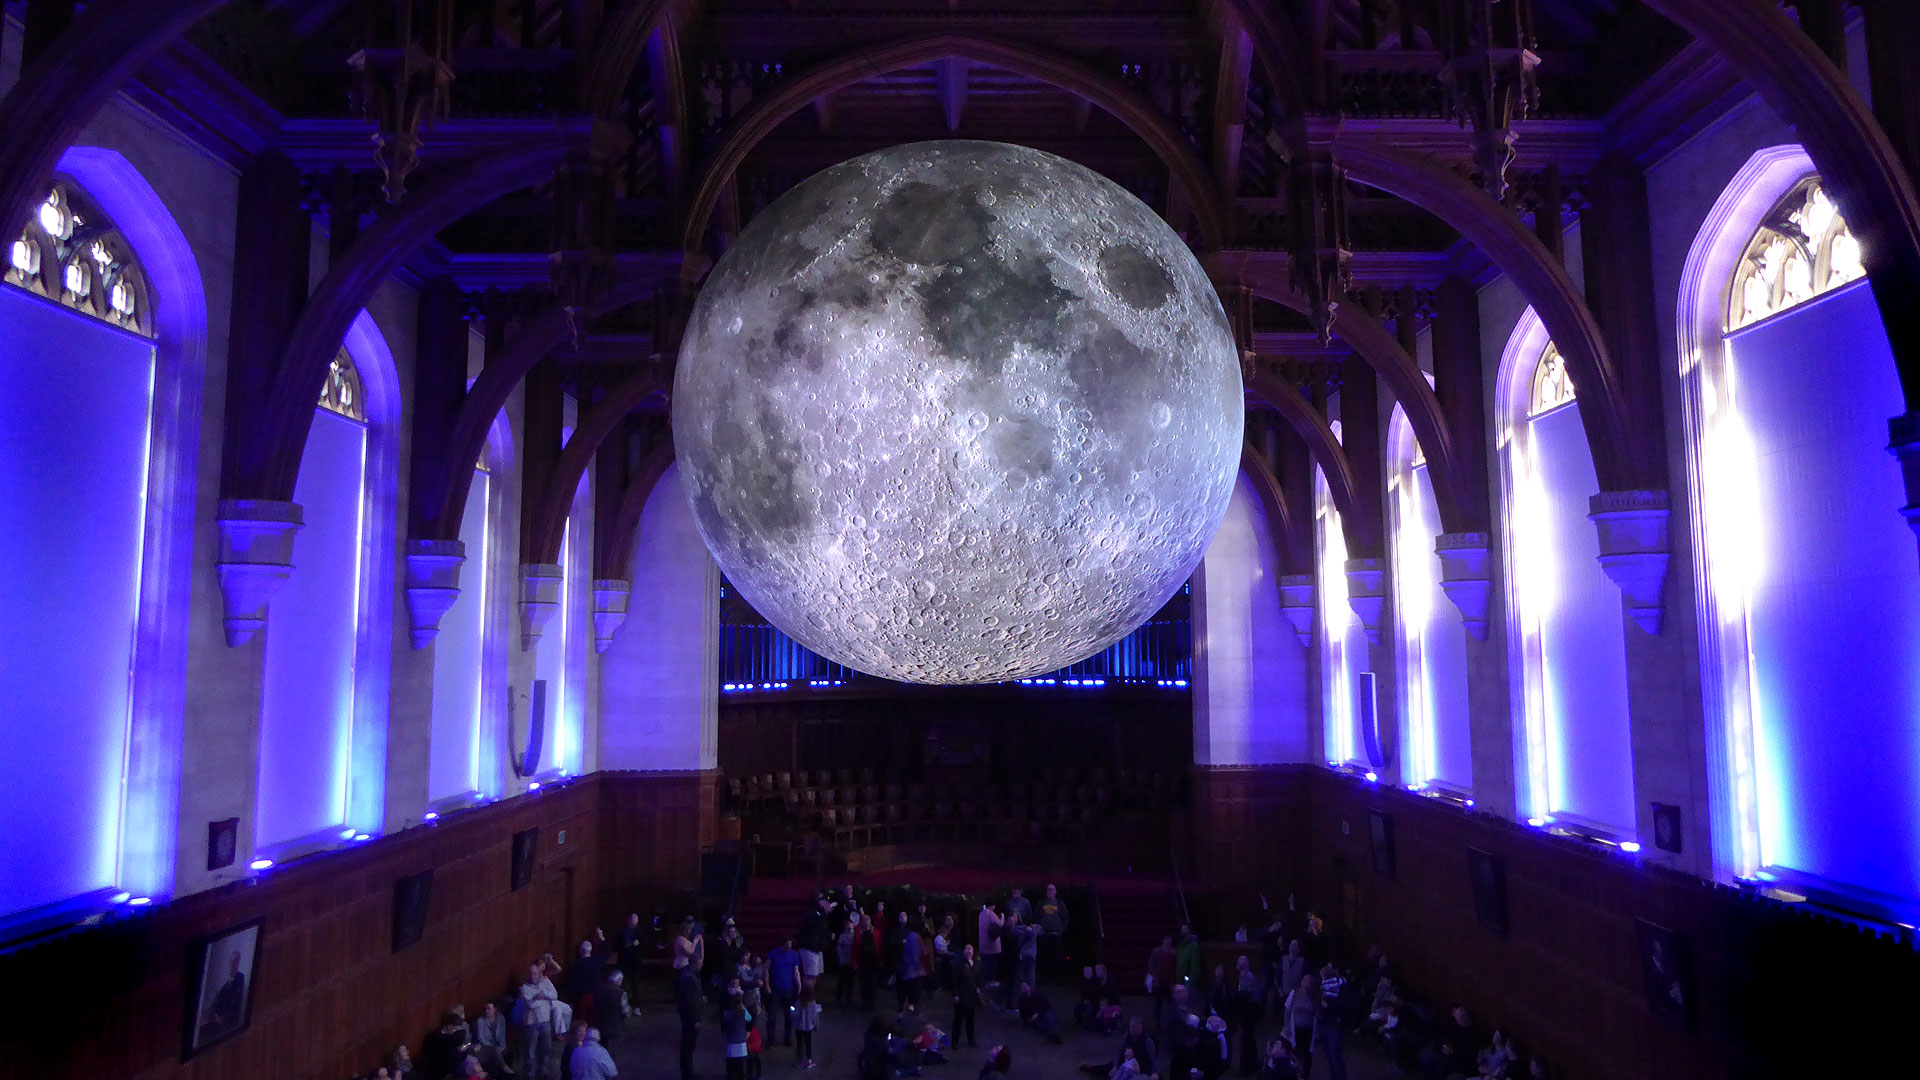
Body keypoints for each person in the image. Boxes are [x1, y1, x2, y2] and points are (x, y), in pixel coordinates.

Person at [520, 962, 561, 1079]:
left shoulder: (546, 983)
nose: (532, 976)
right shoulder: (524, 988)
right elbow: (529, 1005)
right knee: (530, 1053)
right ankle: (529, 1076)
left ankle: (543, 1074)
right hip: (531, 1024)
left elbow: (555, 995)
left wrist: (542, 995)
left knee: (546, 1051)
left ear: (539, 974)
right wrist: (543, 997)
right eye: (530, 974)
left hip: (545, 1022)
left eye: (535, 974)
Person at [1281, 975, 1321, 1080]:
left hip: (1308, 1029)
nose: (1304, 982)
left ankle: (1305, 1076)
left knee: (1307, 1054)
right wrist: (1286, 1025)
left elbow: (1317, 1014)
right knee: (1294, 1053)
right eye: (1303, 979)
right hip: (1295, 1028)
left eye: (1307, 980)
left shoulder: (1314, 996)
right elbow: (1287, 1011)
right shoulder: (1294, 993)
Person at [422, 1011, 475, 1080]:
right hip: (440, 1071)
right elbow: (448, 1057)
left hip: (447, 1066)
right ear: (450, 1026)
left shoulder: (448, 1035)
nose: (455, 1031)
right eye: (455, 1029)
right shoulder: (439, 1039)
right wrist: (460, 1051)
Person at [768, 937, 802, 1045]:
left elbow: (796, 971)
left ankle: (787, 1038)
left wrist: (799, 984)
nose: (789, 946)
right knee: (772, 1015)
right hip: (775, 989)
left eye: (790, 944)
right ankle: (771, 1039)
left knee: (789, 1016)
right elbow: (766, 969)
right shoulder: (773, 953)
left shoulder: (794, 954)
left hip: (788, 989)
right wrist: (767, 985)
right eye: (787, 944)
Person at [1234, 954, 1263, 1074]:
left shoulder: (1248, 978)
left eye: (1239, 962)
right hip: (1246, 1013)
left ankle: (1246, 1067)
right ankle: (1252, 1063)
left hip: (1248, 1013)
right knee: (1249, 1039)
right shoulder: (1242, 977)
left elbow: (1248, 996)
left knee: (1247, 1039)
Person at [952, 944, 985, 1049]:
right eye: (967, 948)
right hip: (961, 996)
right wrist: (955, 994)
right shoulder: (959, 964)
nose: (969, 950)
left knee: (970, 1020)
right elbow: (954, 981)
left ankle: (971, 1040)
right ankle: (954, 1042)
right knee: (958, 1020)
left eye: (971, 948)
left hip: (971, 996)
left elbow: (979, 978)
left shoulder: (976, 964)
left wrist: (979, 988)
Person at [1036, 884, 1069, 982]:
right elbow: (1036, 915)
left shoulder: (1060, 903)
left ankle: (1059, 979)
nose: (1050, 891)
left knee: (1058, 957)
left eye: (1052, 889)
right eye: (1048, 889)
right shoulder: (1041, 903)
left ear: (1055, 891)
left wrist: (1060, 930)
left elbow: (1065, 917)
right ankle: (1042, 979)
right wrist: (1039, 929)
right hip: (1044, 934)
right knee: (1043, 957)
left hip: (1056, 934)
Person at [799, 894, 833, 985]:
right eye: (825, 901)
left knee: (817, 976)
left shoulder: (822, 914)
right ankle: (806, 997)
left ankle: (812, 997)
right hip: (809, 948)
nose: (828, 903)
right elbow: (813, 925)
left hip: (818, 949)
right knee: (810, 976)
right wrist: (824, 913)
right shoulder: (813, 912)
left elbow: (822, 929)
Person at [855, 913, 886, 1011]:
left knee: (872, 985)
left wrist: (880, 960)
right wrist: (855, 963)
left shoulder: (876, 932)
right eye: (864, 919)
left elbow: (880, 947)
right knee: (863, 984)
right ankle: (864, 1003)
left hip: (873, 962)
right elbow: (855, 948)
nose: (866, 921)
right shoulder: (858, 932)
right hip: (862, 961)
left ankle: (871, 1004)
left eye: (868, 919)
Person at [676, 966, 703, 1080]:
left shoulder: (686, 975)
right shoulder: (689, 979)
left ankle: (688, 1073)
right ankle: (687, 1075)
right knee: (687, 1047)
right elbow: (690, 1002)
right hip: (689, 1020)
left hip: (687, 1018)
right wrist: (695, 1020)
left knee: (687, 1048)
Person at [721, 989, 753, 1080]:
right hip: (741, 1042)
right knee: (740, 1064)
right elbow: (749, 1019)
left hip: (731, 1041)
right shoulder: (743, 1012)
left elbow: (724, 1022)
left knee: (730, 1062)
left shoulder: (727, 1013)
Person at [473, 1002, 510, 1078]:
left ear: (495, 1009)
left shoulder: (501, 1018)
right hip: (486, 1046)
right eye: (486, 1009)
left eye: (489, 1009)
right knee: (495, 1054)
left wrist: (502, 1046)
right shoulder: (481, 1020)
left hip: (499, 1045)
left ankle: (504, 1074)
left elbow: (502, 1034)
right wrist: (494, 1048)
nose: (487, 1011)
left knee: (505, 1053)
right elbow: (481, 1038)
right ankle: (505, 1069)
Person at [1147, 935, 1176, 1023]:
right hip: (1159, 982)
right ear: (1163, 940)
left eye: (1169, 939)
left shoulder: (1174, 951)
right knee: (1158, 1004)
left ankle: (1171, 1022)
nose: (1168, 941)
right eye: (1166, 939)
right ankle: (1158, 1024)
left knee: (1171, 1003)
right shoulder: (1156, 951)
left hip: (1169, 982)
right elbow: (1151, 965)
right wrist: (1153, 976)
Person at [594, 969, 628, 1043]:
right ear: (618, 979)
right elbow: (625, 1010)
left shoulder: (599, 989)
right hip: (615, 1024)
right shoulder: (621, 993)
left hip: (600, 1023)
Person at [977, 903, 1005, 989]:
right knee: (992, 963)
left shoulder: (981, 914)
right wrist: (1002, 916)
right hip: (992, 944)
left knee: (985, 963)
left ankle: (985, 982)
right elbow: (1000, 924)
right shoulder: (991, 914)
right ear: (992, 905)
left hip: (982, 943)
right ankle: (991, 981)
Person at [794, 979, 822, 1068]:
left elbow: (796, 1014)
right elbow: (815, 1016)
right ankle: (809, 1061)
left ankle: (799, 1061)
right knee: (808, 1044)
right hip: (809, 1027)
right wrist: (815, 1025)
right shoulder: (813, 1003)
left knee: (799, 1044)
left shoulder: (798, 1002)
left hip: (799, 1027)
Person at [899, 916, 924, 1010]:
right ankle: (913, 1005)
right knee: (915, 986)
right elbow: (915, 953)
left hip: (909, 964)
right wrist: (919, 966)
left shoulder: (910, 935)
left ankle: (910, 1004)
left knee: (911, 986)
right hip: (914, 966)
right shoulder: (915, 936)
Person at [837, 915, 859, 1005]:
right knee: (842, 980)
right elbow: (839, 947)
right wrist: (841, 957)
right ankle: (838, 997)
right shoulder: (842, 935)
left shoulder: (856, 935)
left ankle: (848, 998)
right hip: (844, 961)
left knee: (851, 981)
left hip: (852, 961)